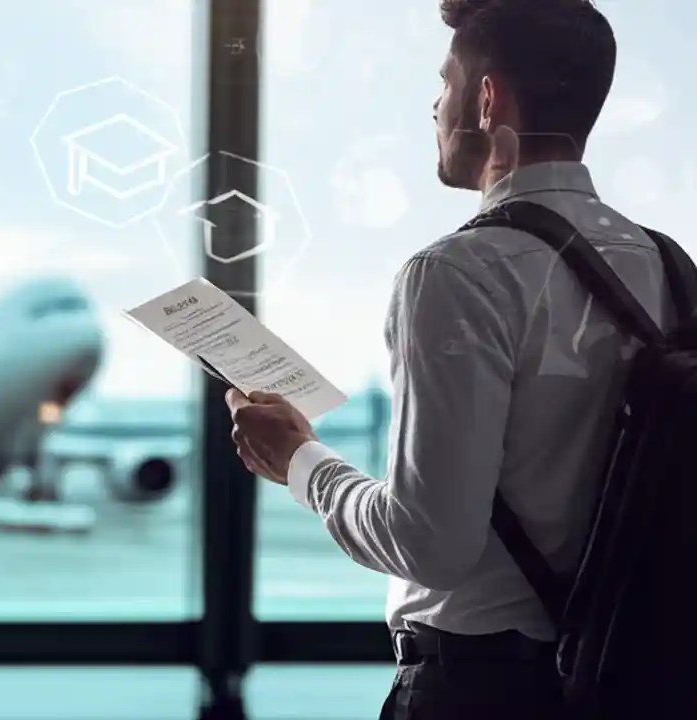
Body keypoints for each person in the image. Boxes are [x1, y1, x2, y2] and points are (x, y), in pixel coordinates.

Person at [226, 2, 674, 718]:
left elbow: (430, 544)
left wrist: (302, 463)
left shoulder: (458, 274)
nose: (435, 106)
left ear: (487, 98)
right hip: (637, 679)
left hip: (481, 689)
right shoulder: (669, 269)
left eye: (444, 83)